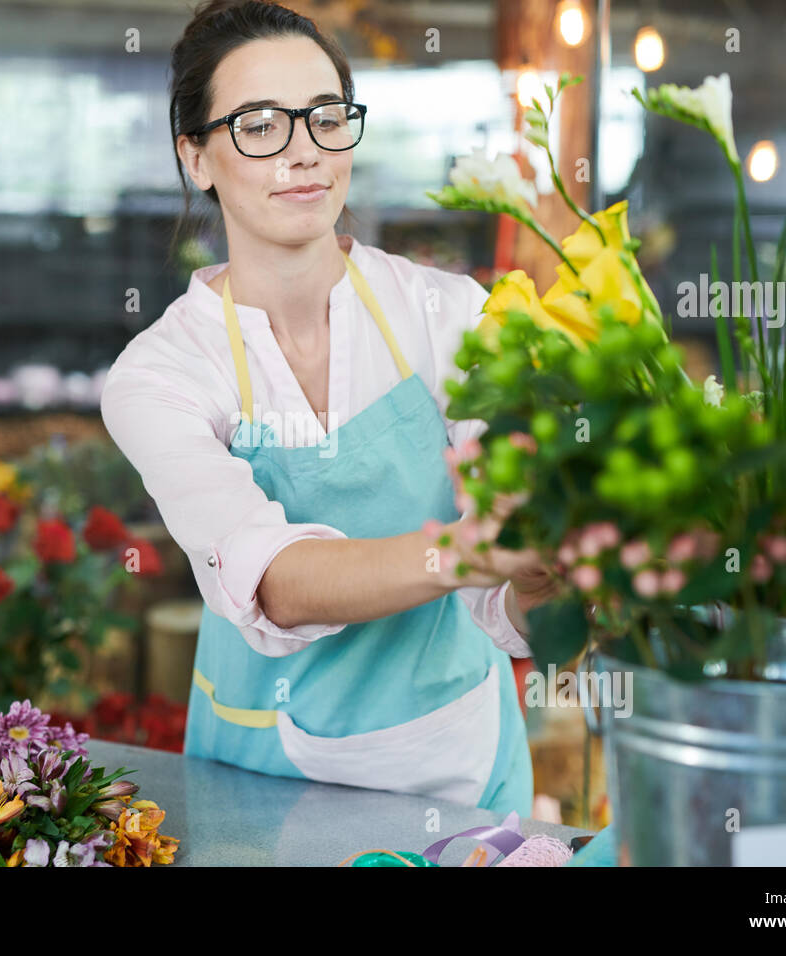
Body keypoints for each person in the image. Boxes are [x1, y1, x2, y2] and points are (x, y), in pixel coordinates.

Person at [101, 0, 557, 818]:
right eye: (260, 125)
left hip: (463, 776)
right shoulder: (162, 375)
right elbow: (274, 581)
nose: (304, 152)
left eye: (325, 118)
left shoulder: (449, 314)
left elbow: (512, 596)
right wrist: (470, 550)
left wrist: (556, 567)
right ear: (196, 156)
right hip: (268, 787)